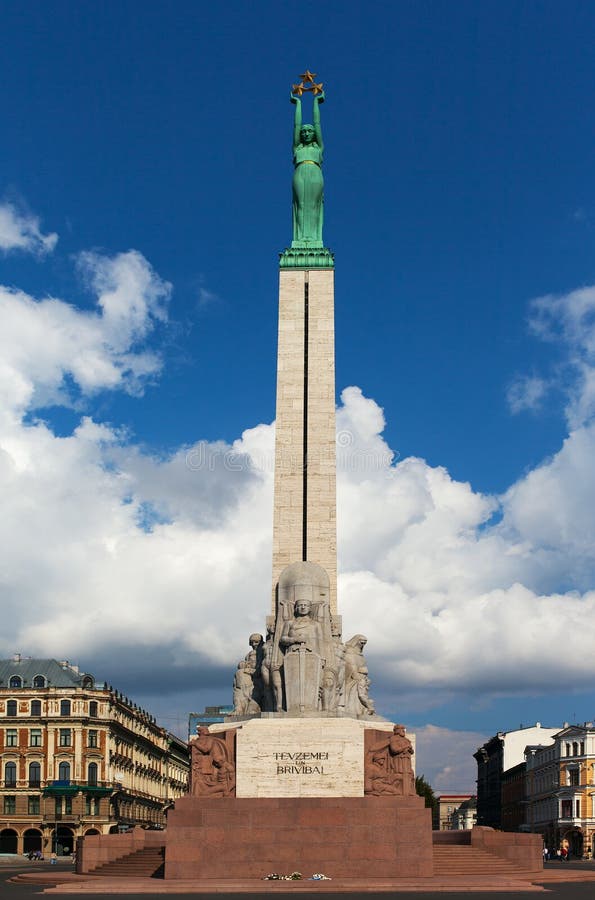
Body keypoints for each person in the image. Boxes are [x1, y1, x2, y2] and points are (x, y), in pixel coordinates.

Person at [290, 91, 325, 245]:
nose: (305, 133)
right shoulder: (297, 149)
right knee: (301, 205)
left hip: (315, 173)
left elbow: (317, 124)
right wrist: (298, 103)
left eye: (309, 131)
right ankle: (299, 239)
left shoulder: (318, 148)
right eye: (303, 131)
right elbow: (296, 125)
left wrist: (316, 103)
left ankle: (314, 238)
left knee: (313, 205)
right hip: (300, 173)